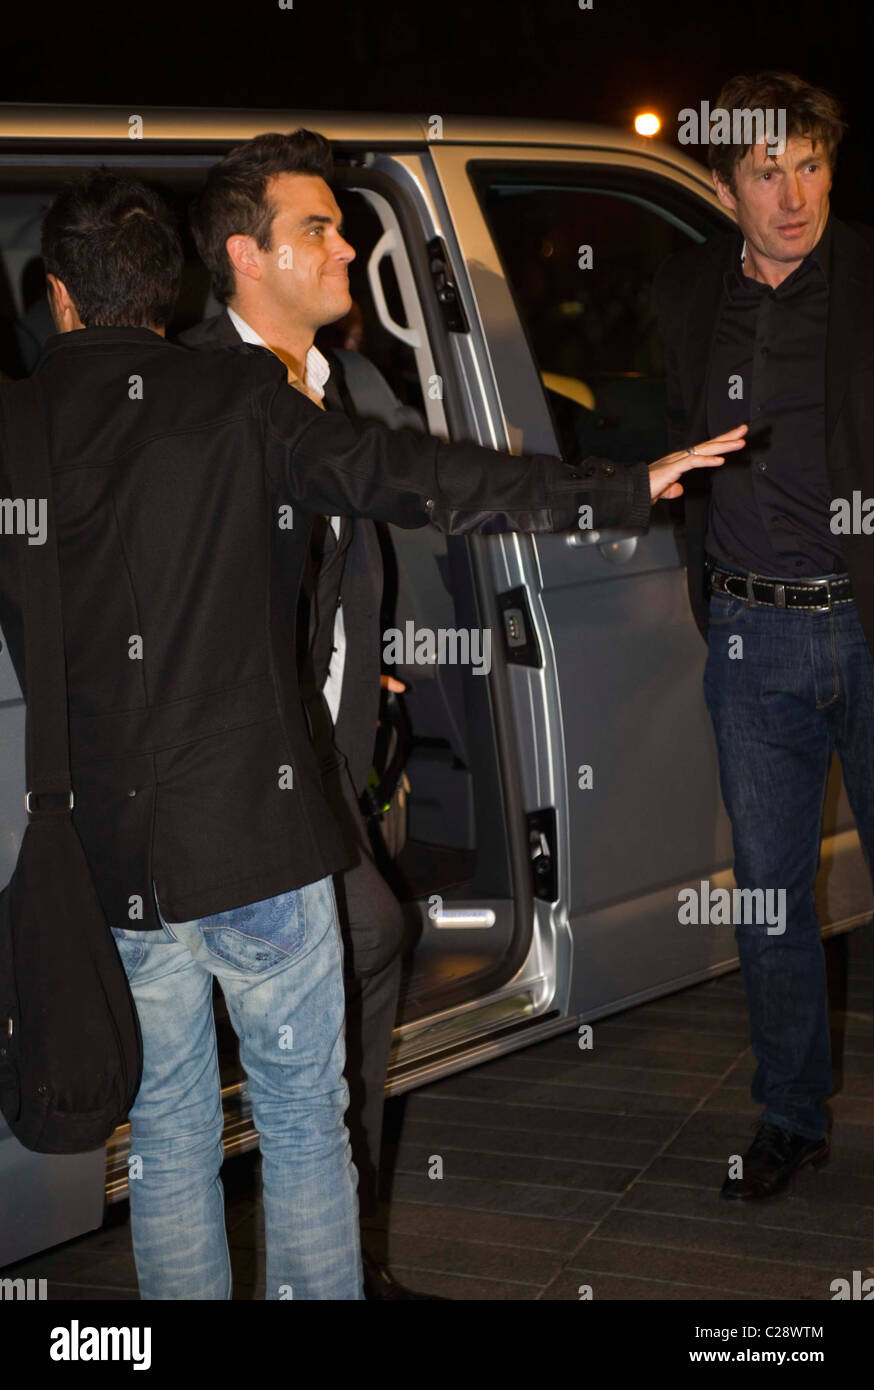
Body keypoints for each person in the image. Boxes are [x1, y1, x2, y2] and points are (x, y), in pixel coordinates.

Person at [0, 169, 740, 1300]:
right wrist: (618, 489)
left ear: (56, 295)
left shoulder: (17, 428)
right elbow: (420, 478)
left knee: (167, 1135)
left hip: (110, 860)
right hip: (255, 842)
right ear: (171, 289)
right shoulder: (239, 400)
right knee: (303, 1127)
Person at [180, 131, 426, 1298]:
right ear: (248, 255)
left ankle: (332, 1250)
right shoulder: (185, 395)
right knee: (346, 958)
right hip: (232, 774)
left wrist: (364, 664)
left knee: (366, 950)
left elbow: (348, 563)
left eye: (344, 222)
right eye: (319, 228)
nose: (348, 243)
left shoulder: (344, 385)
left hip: (323, 755)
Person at [653, 70, 874, 1200]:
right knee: (770, 899)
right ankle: (790, 1115)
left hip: (867, 624)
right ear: (722, 185)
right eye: (764, 172)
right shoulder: (687, 297)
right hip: (750, 636)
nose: (793, 195)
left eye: (810, 164)